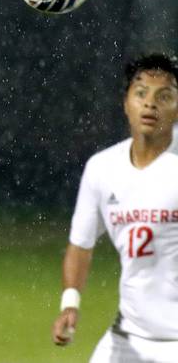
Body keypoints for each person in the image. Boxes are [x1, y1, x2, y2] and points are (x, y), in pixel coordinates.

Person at [51, 53, 178, 362]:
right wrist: (70, 304)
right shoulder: (102, 169)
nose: (150, 103)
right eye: (141, 93)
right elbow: (80, 245)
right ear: (125, 104)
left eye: (165, 96)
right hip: (128, 336)